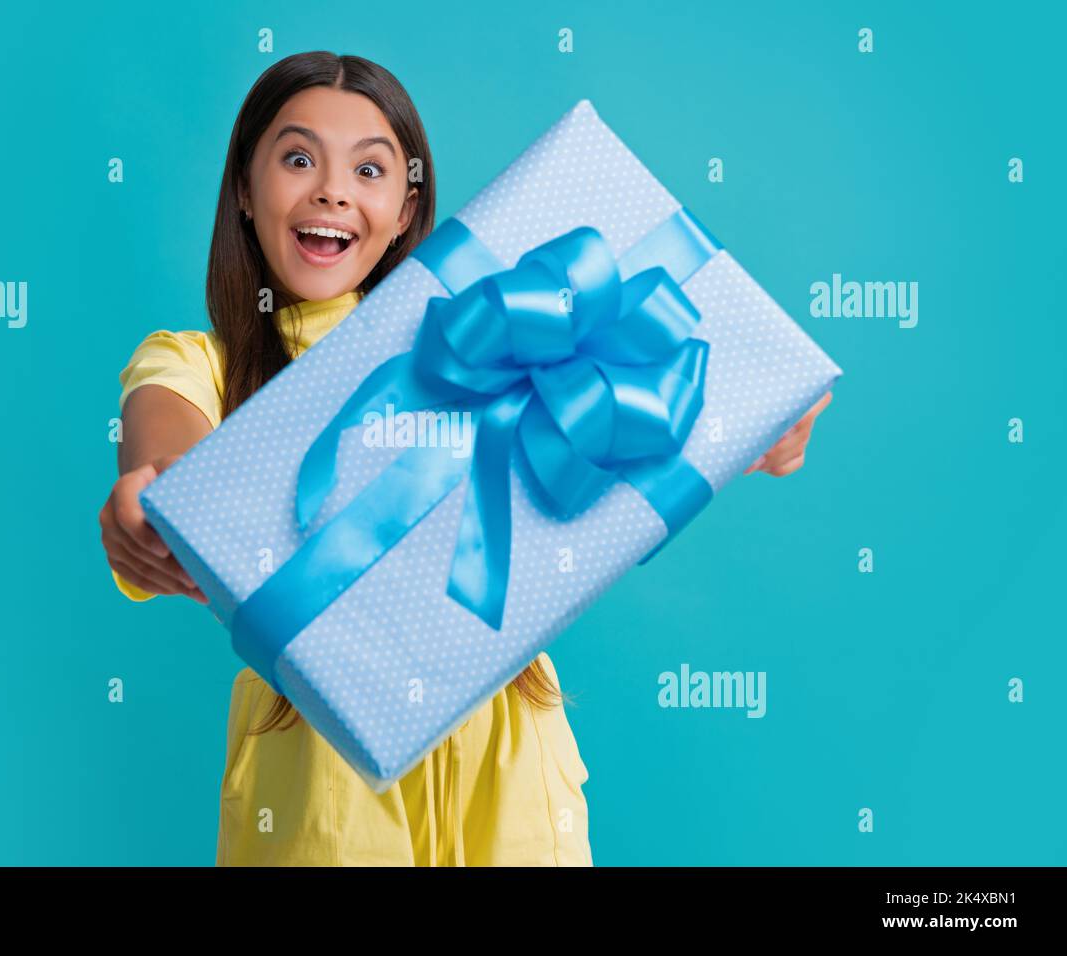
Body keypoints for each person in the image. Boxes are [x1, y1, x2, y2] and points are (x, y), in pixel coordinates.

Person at [98, 51, 832, 866]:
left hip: (510, 758)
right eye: (299, 159)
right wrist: (151, 496)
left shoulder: (495, 325)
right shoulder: (200, 361)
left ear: (407, 207)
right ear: (245, 186)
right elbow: (163, 445)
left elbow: (653, 423)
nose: (333, 191)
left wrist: (760, 427)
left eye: (369, 169)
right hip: (318, 782)